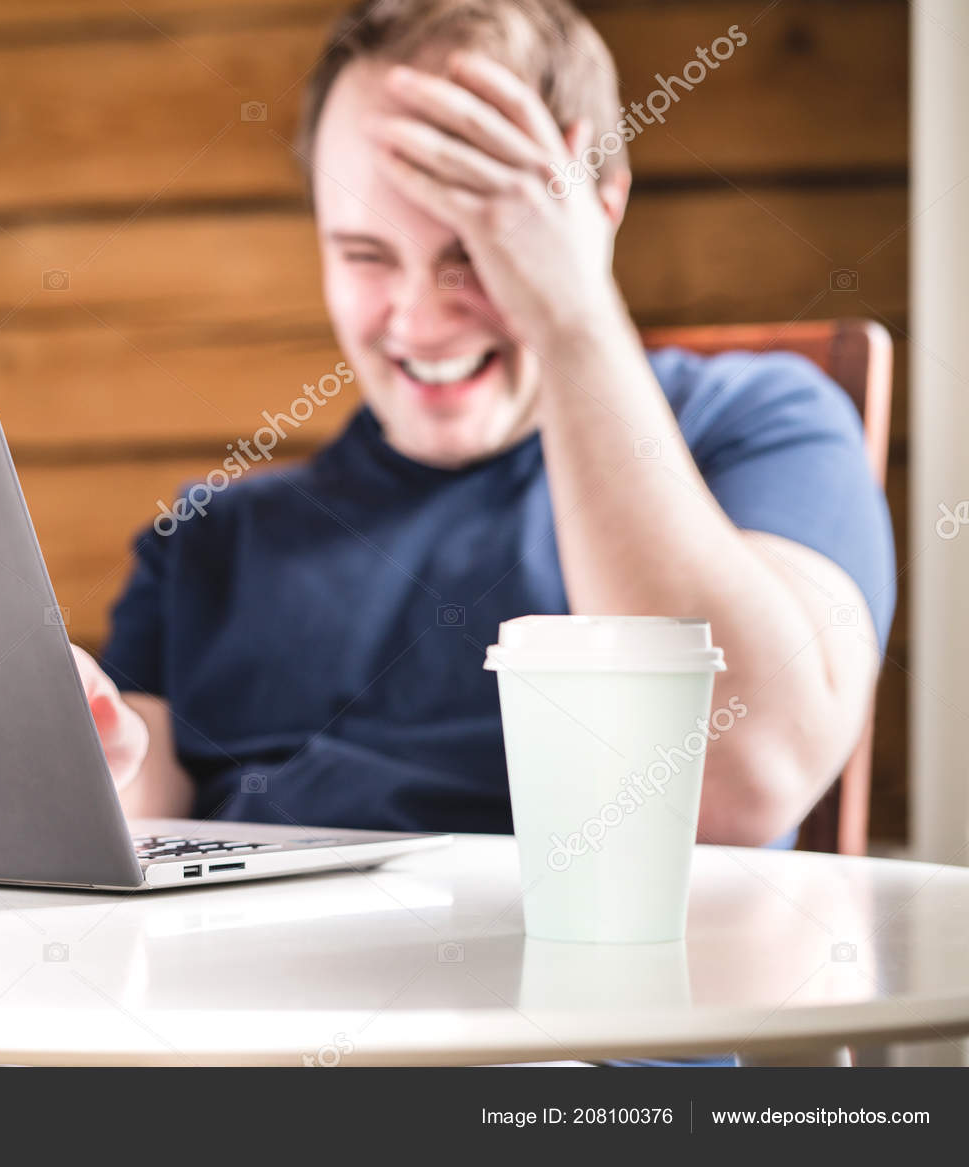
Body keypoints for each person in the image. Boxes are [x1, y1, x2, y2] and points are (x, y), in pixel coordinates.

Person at [71, 0, 894, 853]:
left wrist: (572, 318)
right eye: (365, 254)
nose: (420, 322)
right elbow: (140, 809)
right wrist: (71, 757)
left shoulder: (756, 426)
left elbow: (736, 784)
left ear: (598, 215)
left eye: (476, 252)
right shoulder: (211, 536)